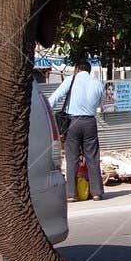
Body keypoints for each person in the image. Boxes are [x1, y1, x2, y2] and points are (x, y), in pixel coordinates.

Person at [49, 58, 107, 201]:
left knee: (72, 159)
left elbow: (54, 98)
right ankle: (96, 193)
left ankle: (71, 194)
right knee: (93, 158)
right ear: (89, 70)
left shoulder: (71, 80)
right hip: (90, 122)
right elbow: (101, 105)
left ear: (76, 70)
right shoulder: (98, 83)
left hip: (73, 122)